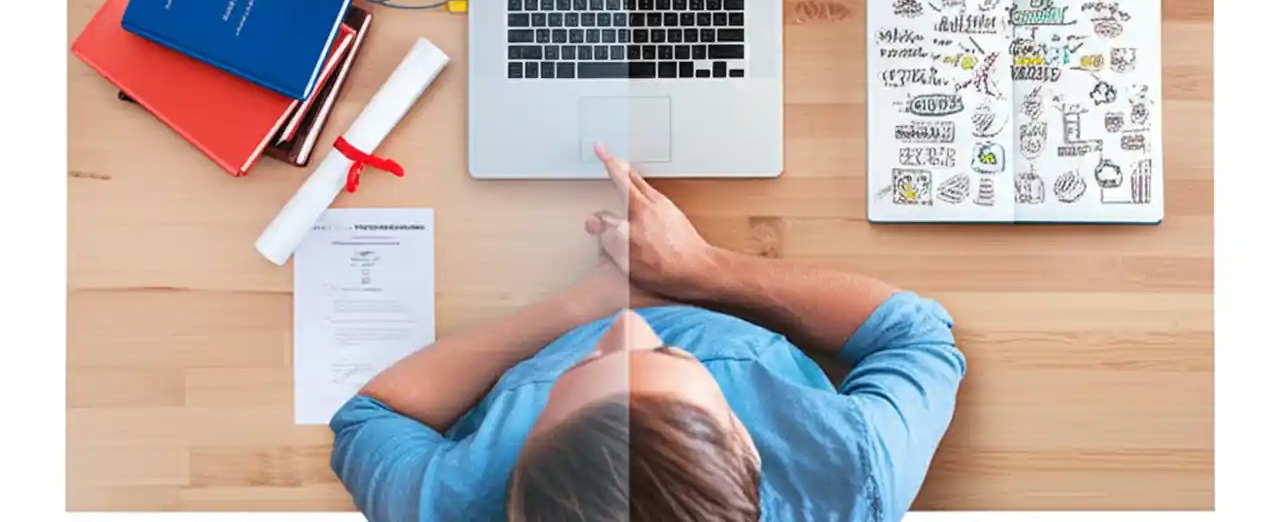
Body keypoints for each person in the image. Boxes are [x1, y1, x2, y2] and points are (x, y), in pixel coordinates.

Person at [330, 145, 966, 522]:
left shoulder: (452, 501)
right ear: (750, 450)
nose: (628, 327)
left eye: (583, 370)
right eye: (672, 357)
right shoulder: (852, 472)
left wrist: (590, 304)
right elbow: (916, 337)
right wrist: (704, 272)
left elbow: (369, 416)